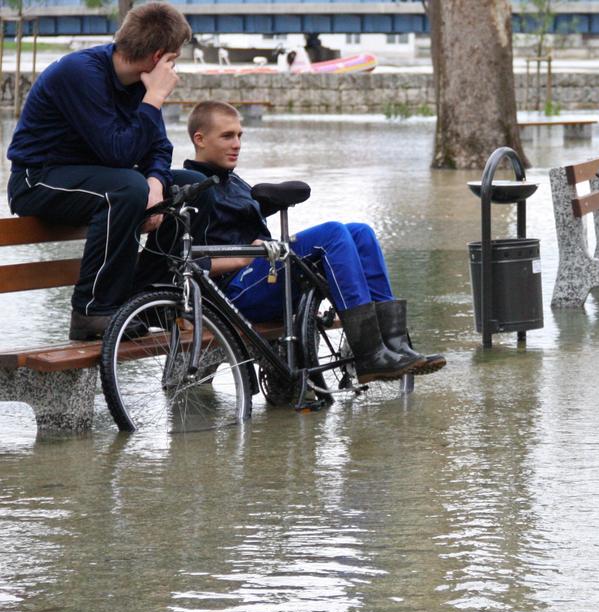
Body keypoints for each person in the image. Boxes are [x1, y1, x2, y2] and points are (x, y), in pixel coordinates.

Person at [155, 101, 446, 383]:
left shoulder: (234, 182)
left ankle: (395, 344)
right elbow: (179, 262)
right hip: (231, 293)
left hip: (260, 277)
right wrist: (244, 258)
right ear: (200, 139)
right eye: (227, 136)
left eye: (240, 135)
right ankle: (369, 353)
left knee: (360, 231)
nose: (237, 144)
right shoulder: (190, 187)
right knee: (332, 234)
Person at [6, 2, 190, 340]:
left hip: (100, 179)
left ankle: (147, 297)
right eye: (173, 59)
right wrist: (154, 99)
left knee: (194, 185)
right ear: (158, 57)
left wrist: (156, 183)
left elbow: (159, 148)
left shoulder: (139, 85)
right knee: (127, 187)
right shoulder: (81, 73)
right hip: (38, 180)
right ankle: (91, 311)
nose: (173, 68)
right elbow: (118, 153)